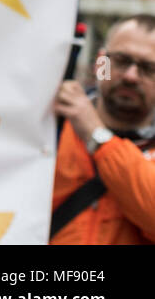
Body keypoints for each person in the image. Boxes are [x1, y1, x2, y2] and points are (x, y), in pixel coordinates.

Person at [51, 14, 155, 244]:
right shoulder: (53, 124)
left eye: (148, 68)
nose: (130, 76)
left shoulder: (82, 125)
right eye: (120, 60)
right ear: (101, 63)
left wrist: (95, 135)